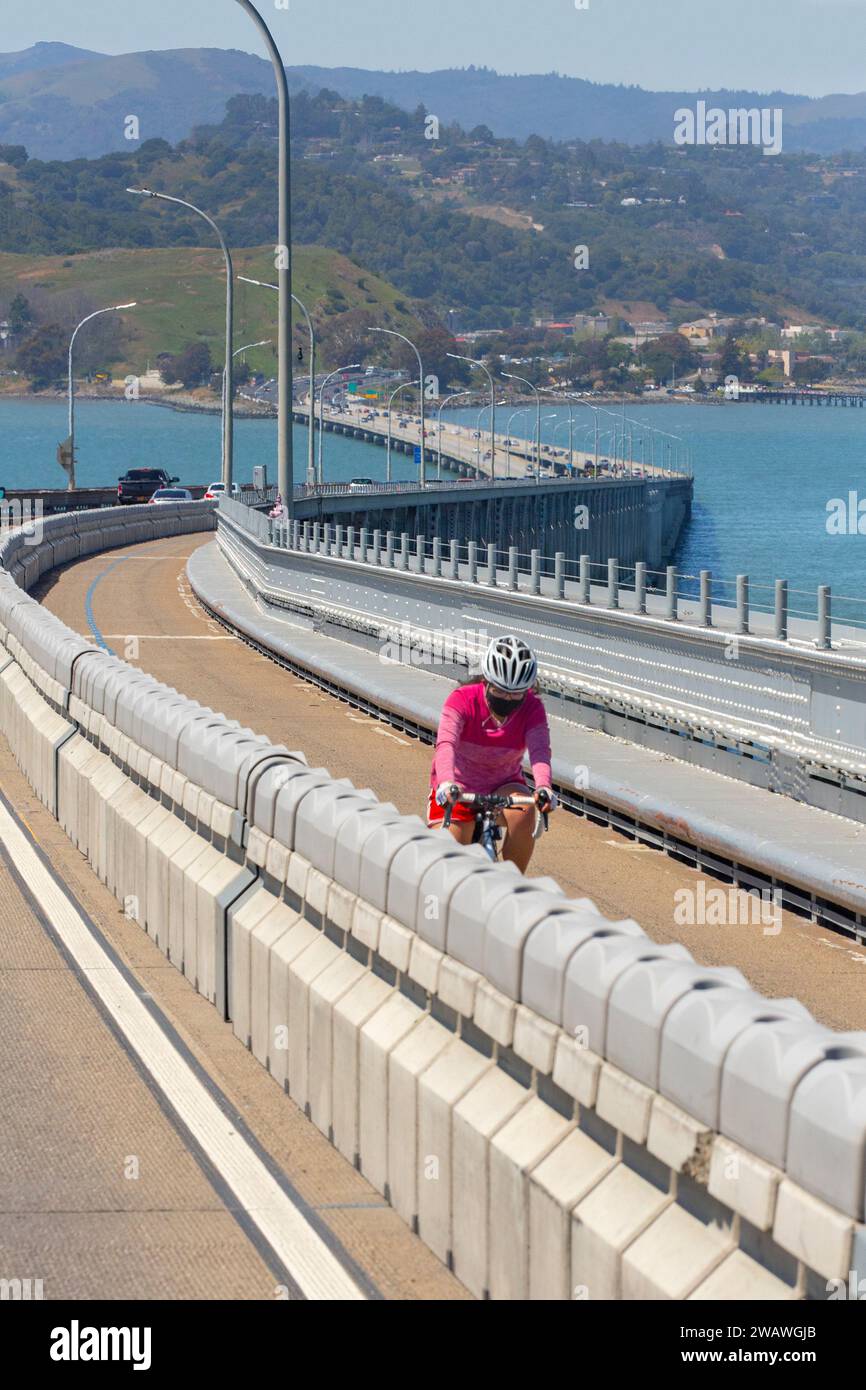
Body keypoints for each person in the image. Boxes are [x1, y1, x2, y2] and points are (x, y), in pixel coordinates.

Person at [428, 634, 557, 872]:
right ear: (486, 681)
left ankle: (511, 884)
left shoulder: (532, 707)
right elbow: (446, 744)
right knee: (448, 859)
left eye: (516, 694)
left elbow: (540, 751)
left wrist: (544, 787)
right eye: (500, 692)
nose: (507, 699)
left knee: (525, 811)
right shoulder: (462, 699)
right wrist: (446, 783)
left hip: (504, 783)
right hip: (459, 786)